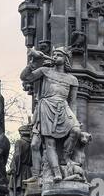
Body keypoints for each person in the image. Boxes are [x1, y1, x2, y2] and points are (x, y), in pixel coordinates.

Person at [20, 46, 82, 183]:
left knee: (76, 130)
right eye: (53, 54)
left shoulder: (72, 79)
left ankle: (65, 157)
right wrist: (33, 62)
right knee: (50, 143)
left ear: (65, 59)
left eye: (58, 55)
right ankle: (56, 172)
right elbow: (25, 77)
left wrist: (75, 117)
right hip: (47, 107)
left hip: (63, 108)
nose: (54, 56)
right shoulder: (45, 71)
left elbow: (73, 102)